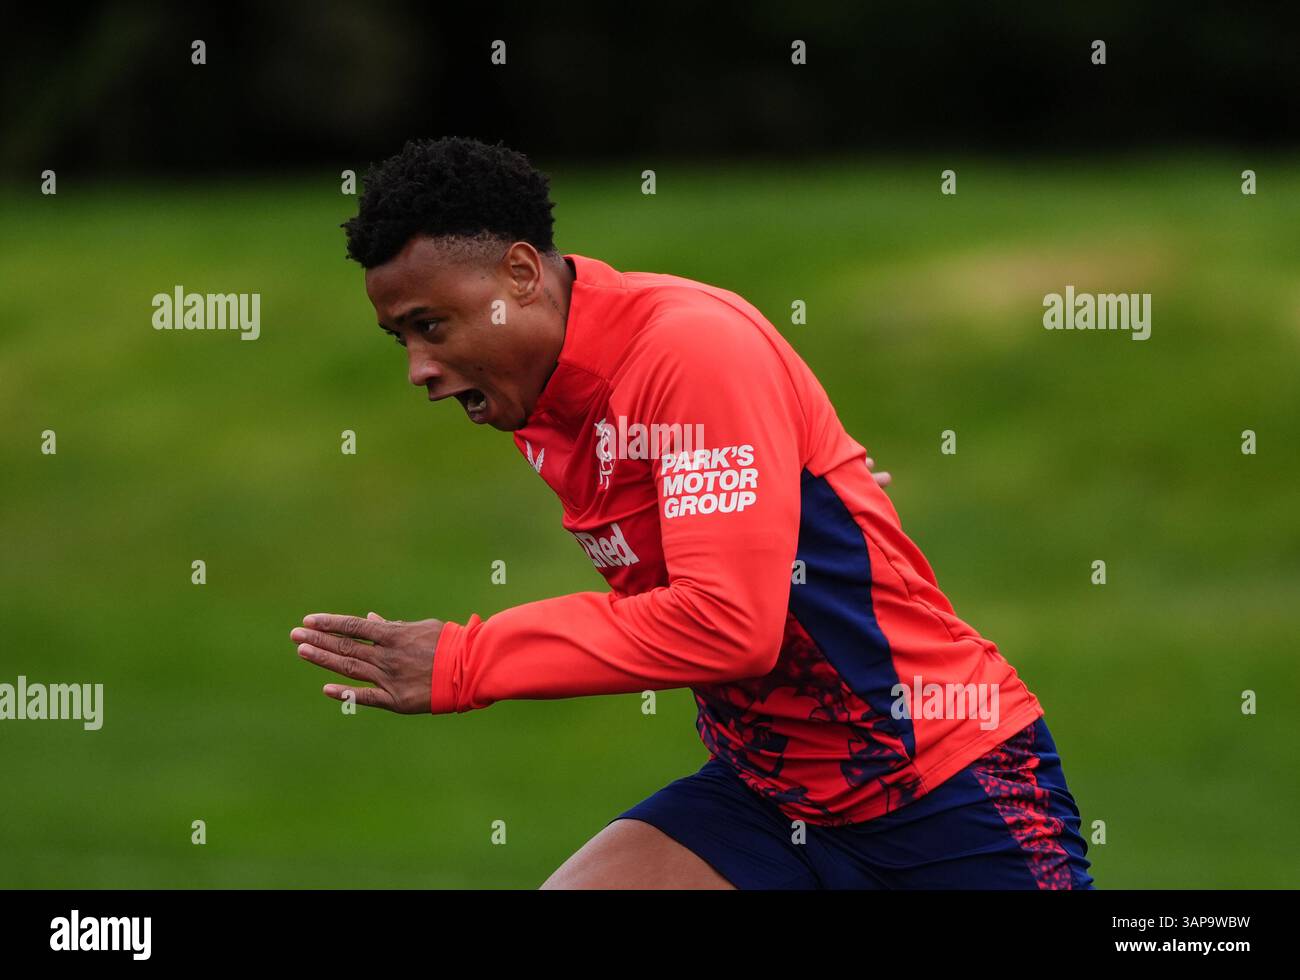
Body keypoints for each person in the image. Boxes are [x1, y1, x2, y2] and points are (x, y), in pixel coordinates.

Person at [290, 136, 1093, 889]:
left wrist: (468, 660)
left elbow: (728, 624)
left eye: (430, 327)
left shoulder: (686, 349)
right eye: (400, 339)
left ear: (523, 275)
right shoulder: (539, 394)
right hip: (769, 798)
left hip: (943, 786)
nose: (419, 370)